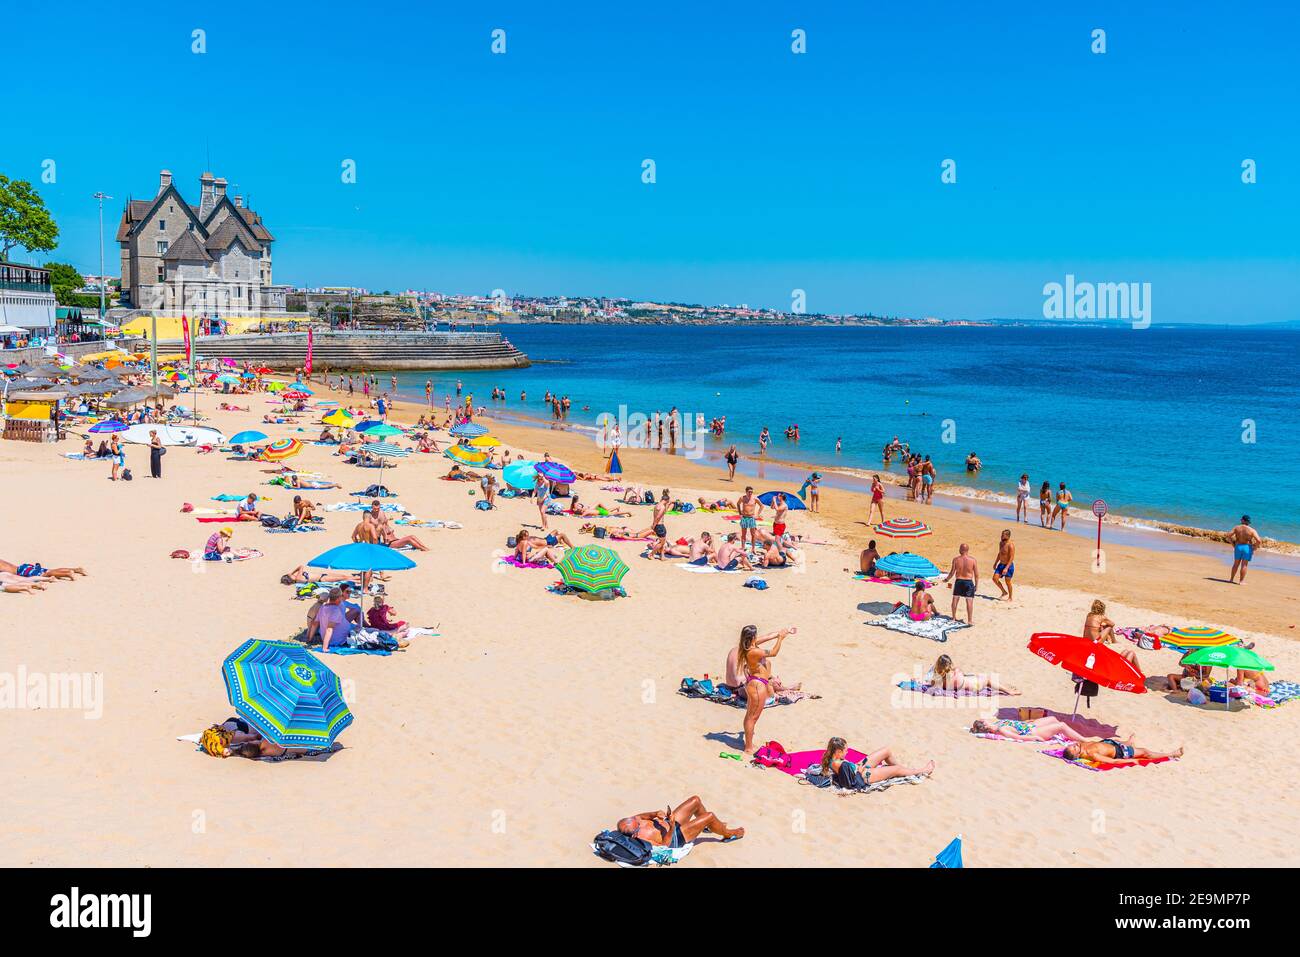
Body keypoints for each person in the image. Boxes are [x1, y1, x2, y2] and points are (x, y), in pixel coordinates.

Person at [737, 625, 794, 753]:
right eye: (756, 635)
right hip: (758, 686)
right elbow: (773, 653)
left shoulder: (749, 645)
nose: (757, 637)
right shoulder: (753, 651)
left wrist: (783, 631)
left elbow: (768, 636)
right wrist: (780, 639)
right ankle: (748, 747)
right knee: (753, 717)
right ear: (752, 637)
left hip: (755, 683)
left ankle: (748, 744)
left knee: (750, 716)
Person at [616, 797, 744, 847]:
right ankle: (728, 833)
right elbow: (665, 847)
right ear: (634, 834)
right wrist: (671, 827)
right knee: (709, 816)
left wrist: (655, 814)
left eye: (634, 819)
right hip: (675, 837)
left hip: (669, 822)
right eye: (637, 824)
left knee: (696, 801)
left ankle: (710, 826)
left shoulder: (632, 822)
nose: (638, 820)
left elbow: (642, 816)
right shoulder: (643, 840)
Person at [818, 736, 934, 789]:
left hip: (857, 768)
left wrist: (859, 766)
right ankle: (923, 770)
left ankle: (903, 770)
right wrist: (861, 768)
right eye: (845, 750)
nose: (847, 752)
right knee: (896, 770)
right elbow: (851, 782)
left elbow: (849, 770)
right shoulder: (840, 764)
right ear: (838, 751)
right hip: (863, 776)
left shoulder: (830, 757)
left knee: (886, 751)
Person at [1083, 599, 1140, 667]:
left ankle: (1110, 639)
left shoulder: (1089, 615)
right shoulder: (1101, 617)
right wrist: (1103, 623)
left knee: (1101, 627)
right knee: (1109, 628)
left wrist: (1101, 624)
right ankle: (1114, 641)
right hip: (1096, 642)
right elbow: (1112, 624)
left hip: (1086, 640)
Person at [929, 653, 1019, 694]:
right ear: (950, 663)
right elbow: (961, 674)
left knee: (976, 677)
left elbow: (932, 683)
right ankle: (1008, 691)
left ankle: (1007, 689)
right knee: (987, 679)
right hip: (974, 686)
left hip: (967, 686)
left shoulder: (938, 679)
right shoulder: (956, 671)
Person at [1062, 737, 1183, 764]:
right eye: (1073, 747)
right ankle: (1172, 754)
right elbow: (1112, 762)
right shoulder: (1092, 754)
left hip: (1109, 743)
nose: (1074, 744)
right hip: (1120, 751)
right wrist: (1131, 762)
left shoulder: (1082, 745)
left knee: (1111, 741)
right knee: (1145, 752)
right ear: (1077, 755)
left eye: (1072, 745)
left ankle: (1128, 742)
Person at [969, 716, 1097, 742]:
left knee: (1053, 719)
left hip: (1031, 725)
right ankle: (1084, 740)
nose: (983, 719)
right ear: (986, 727)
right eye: (983, 722)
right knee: (1061, 726)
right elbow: (1018, 737)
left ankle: (1069, 734)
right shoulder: (1000, 730)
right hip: (1033, 731)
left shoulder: (996, 724)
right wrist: (1034, 738)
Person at [942, 543, 979, 623]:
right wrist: (976, 585)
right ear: (967, 550)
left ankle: (953, 618)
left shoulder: (956, 559)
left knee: (955, 599)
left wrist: (947, 579)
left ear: (961, 550)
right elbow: (976, 574)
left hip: (959, 581)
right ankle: (969, 620)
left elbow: (952, 572)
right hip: (969, 582)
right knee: (969, 601)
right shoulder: (973, 560)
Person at [1227, 515, 1263, 584]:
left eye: (1241, 519)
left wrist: (1233, 544)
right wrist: (1254, 548)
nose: (1240, 520)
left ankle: (1231, 579)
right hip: (1247, 547)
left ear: (1243, 520)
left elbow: (1228, 536)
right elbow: (1259, 541)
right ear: (1248, 522)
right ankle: (1241, 581)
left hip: (1238, 547)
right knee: (1244, 565)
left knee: (1236, 564)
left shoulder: (1237, 528)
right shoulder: (1252, 530)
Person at [736, 486, 763, 551]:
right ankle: (743, 547)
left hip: (751, 518)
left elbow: (761, 506)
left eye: (751, 492)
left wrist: (757, 514)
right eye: (749, 492)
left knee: (753, 534)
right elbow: (738, 504)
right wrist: (740, 513)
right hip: (744, 517)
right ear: (746, 492)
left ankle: (753, 548)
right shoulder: (742, 498)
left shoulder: (755, 499)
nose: (750, 493)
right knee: (743, 534)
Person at [992, 529, 1015, 601]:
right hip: (1001, 565)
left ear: (1007, 536)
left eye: (1003, 535)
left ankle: (1010, 597)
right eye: (1001, 535)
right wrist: (995, 563)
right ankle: (1004, 592)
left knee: (1007, 582)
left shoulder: (1011, 545)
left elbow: (1012, 558)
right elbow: (1000, 554)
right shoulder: (1001, 543)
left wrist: (1006, 568)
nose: (1001, 536)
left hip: (1008, 566)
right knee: (994, 579)